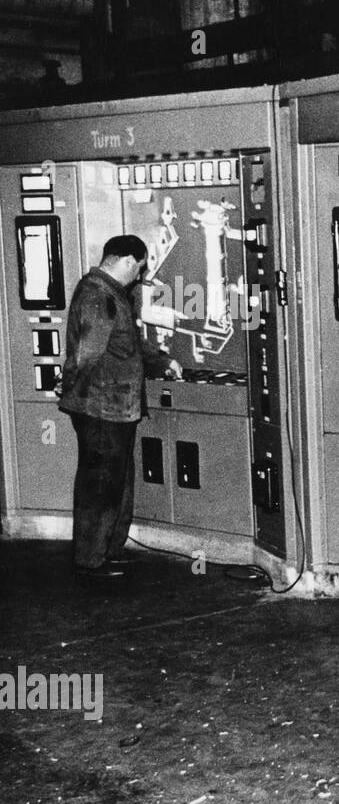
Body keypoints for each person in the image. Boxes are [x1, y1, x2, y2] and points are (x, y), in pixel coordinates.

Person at [58, 235, 182, 578]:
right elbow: (87, 352)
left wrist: (161, 361)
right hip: (100, 407)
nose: (139, 276)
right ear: (127, 260)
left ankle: (109, 550)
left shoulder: (111, 292)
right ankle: (90, 559)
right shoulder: (99, 293)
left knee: (117, 481)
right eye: (140, 269)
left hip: (115, 406)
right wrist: (67, 382)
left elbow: (128, 343)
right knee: (100, 485)